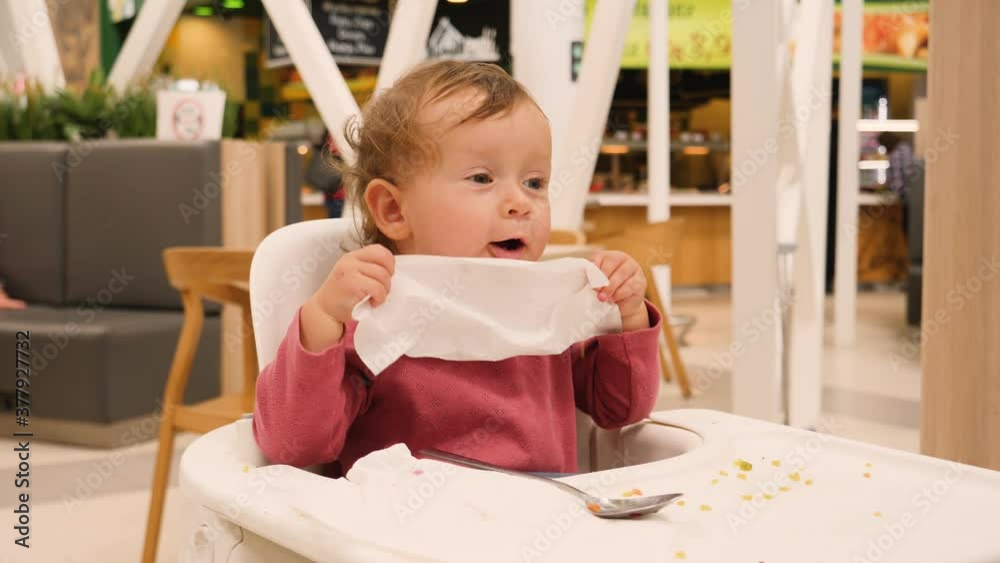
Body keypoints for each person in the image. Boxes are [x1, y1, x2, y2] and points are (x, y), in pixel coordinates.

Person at [252, 61, 663, 476]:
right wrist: (322, 318)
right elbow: (293, 444)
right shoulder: (377, 319)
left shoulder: (545, 314)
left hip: (542, 524)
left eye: (535, 182)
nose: (520, 202)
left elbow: (619, 410)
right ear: (394, 210)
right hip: (407, 531)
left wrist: (628, 316)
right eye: (482, 178)